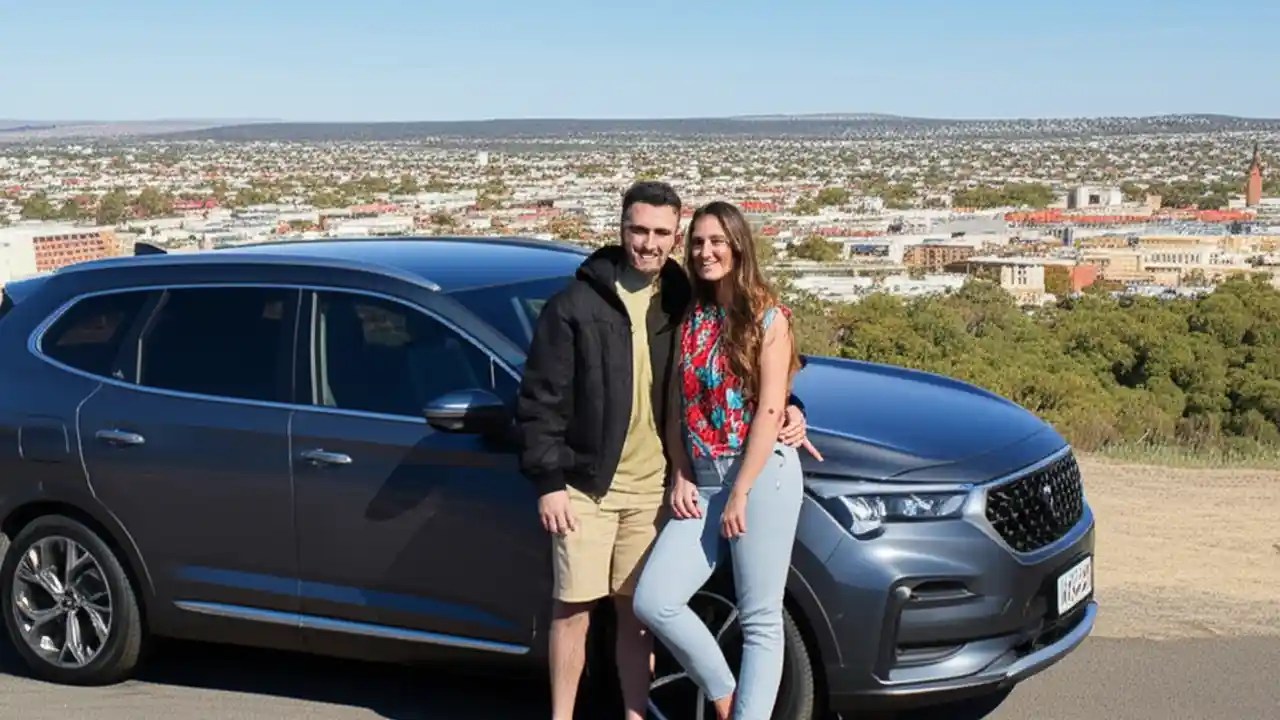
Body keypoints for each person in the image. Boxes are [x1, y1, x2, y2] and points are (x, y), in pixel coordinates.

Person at [516, 182, 812, 720]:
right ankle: (719, 695)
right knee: (616, 604)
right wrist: (550, 480)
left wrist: (791, 410)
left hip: (716, 480)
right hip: (626, 483)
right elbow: (546, 397)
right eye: (640, 230)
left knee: (731, 614)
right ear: (623, 228)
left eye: (666, 234)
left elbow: (760, 387)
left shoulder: (714, 306)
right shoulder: (618, 306)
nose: (702, 251)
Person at [632, 200, 807, 720]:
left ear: (737, 247)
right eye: (699, 243)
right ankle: (725, 691)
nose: (706, 252)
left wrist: (742, 490)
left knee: (759, 618)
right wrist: (682, 470)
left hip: (762, 477)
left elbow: (772, 407)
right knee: (654, 599)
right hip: (704, 481)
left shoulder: (767, 317)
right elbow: (676, 408)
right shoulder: (693, 317)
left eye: (717, 242)